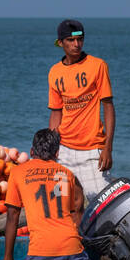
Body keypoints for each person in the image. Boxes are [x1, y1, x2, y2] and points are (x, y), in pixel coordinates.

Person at [1, 128, 87, 260]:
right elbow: (70, 207)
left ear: (31, 150)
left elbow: (12, 217)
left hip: (43, 248)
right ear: (56, 153)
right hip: (70, 245)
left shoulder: (19, 173)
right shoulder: (64, 174)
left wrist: (8, 257)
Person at [47, 19, 115, 200]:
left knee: (102, 202)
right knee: (61, 202)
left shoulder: (98, 65)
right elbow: (55, 113)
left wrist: (108, 147)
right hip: (63, 150)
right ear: (60, 43)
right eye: (70, 40)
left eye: (80, 39)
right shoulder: (54, 72)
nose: (76, 44)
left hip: (93, 150)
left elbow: (108, 107)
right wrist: (51, 149)